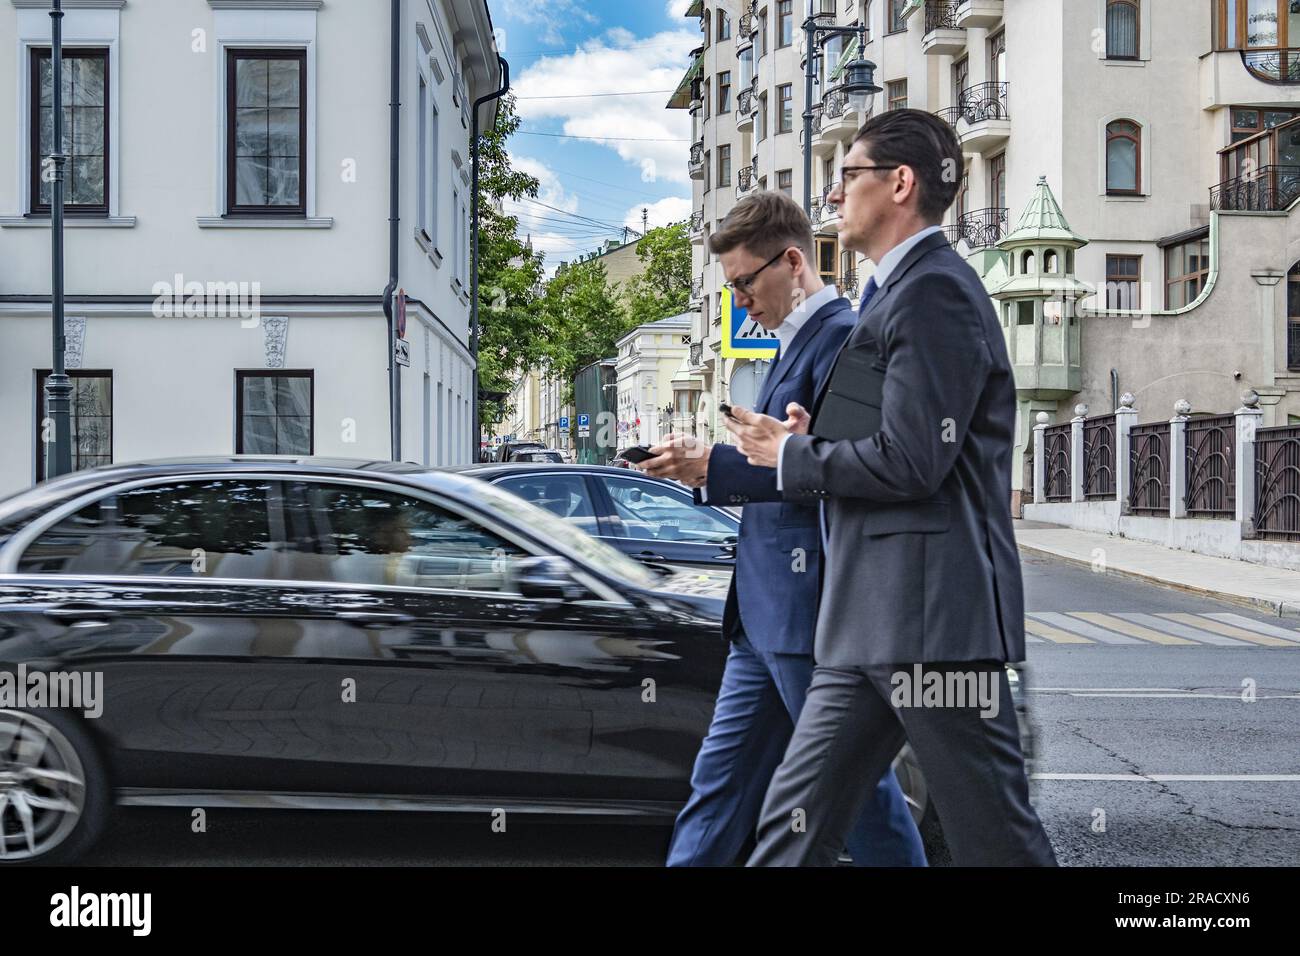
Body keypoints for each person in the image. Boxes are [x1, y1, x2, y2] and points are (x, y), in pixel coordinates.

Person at [727, 110, 1056, 867]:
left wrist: (795, 456)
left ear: (900, 184)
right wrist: (811, 440)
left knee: (994, 837)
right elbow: (886, 442)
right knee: (795, 823)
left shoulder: (935, 291)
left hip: (931, 628)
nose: (833, 195)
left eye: (848, 175)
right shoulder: (890, 293)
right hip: (867, 623)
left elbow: (914, 461)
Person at [639, 190, 925, 867]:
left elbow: (838, 474)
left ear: (792, 261)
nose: (739, 300)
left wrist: (720, 466)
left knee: (861, 803)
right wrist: (709, 468)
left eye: (744, 282)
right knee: (718, 790)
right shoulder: (788, 347)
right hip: (761, 620)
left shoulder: (847, 341)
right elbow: (786, 462)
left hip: (808, 619)